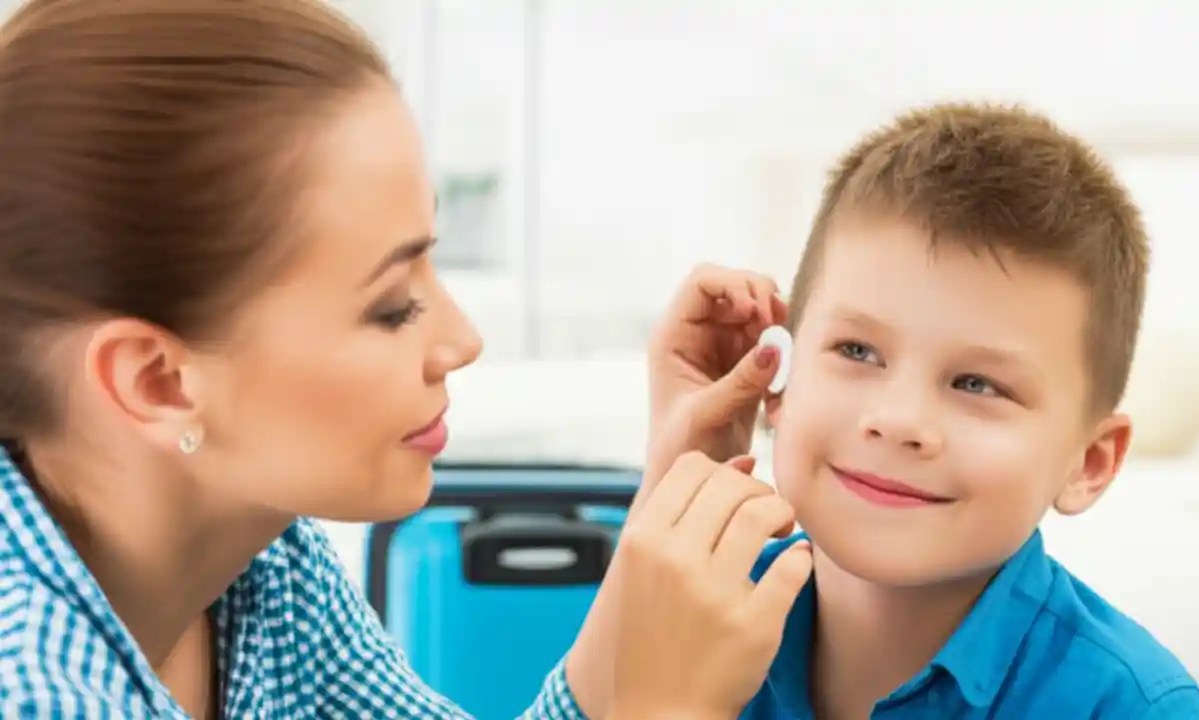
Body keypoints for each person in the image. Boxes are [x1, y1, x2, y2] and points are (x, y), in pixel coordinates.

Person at [0, 1, 811, 717]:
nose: (461, 340)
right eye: (392, 307)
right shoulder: (30, 685)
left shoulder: (262, 562)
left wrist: (663, 522)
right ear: (158, 382)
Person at [571, 104, 1199, 718]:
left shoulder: (1128, 706)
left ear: (1090, 463)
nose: (899, 419)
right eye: (857, 350)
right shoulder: (687, 613)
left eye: (977, 384)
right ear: (777, 377)